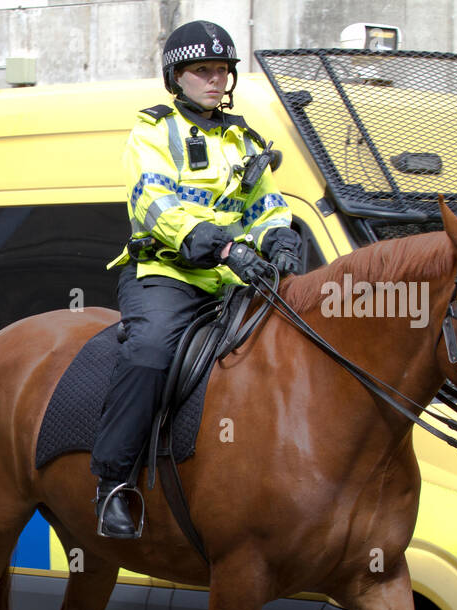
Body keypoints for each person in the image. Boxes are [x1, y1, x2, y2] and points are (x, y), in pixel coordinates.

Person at [92, 20, 301, 538]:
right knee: (150, 351)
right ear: (176, 77)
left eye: (222, 70)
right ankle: (113, 483)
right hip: (167, 274)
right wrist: (227, 247)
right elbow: (157, 206)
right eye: (201, 70)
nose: (214, 79)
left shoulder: (243, 139)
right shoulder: (152, 132)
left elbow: (268, 206)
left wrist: (280, 239)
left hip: (232, 282)